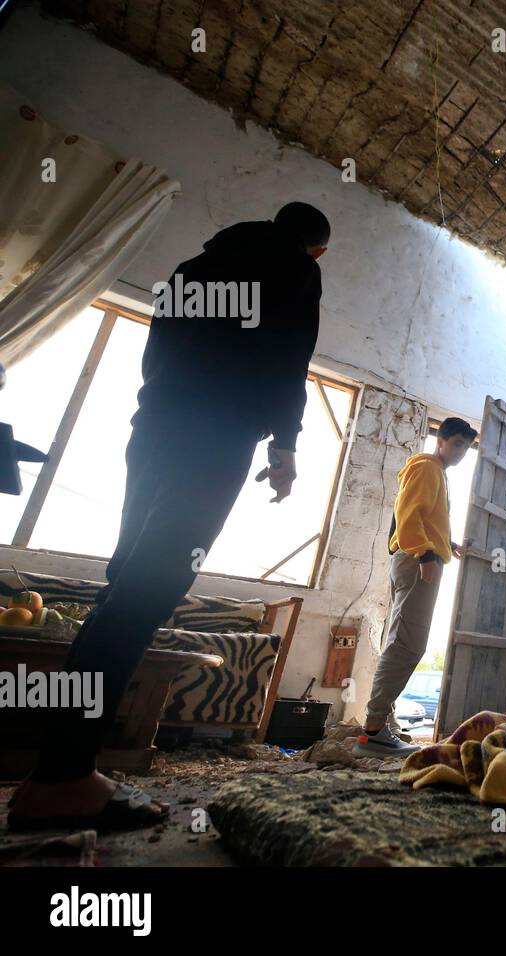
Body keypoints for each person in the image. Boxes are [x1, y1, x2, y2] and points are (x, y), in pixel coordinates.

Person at [7, 202, 329, 832]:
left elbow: (158, 357)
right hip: (216, 438)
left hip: (152, 428)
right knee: (148, 594)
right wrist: (285, 445)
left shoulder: (196, 266)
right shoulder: (296, 269)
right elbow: (289, 357)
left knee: (123, 587)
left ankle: (59, 767)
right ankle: (63, 777)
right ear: (315, 251)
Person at [354, 417, 477, 757]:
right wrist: (425, 554)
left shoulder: (436, 472)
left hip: (417, 558)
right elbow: (407, 514)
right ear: (441, 442)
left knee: (403, 640)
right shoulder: (427, 467)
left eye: (465, 447)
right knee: (408, 645)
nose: (461, 452)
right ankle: (373, 731)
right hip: (416, 561)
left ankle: (381, 726)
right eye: (456, 444)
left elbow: (424, 516)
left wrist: (444, 544)